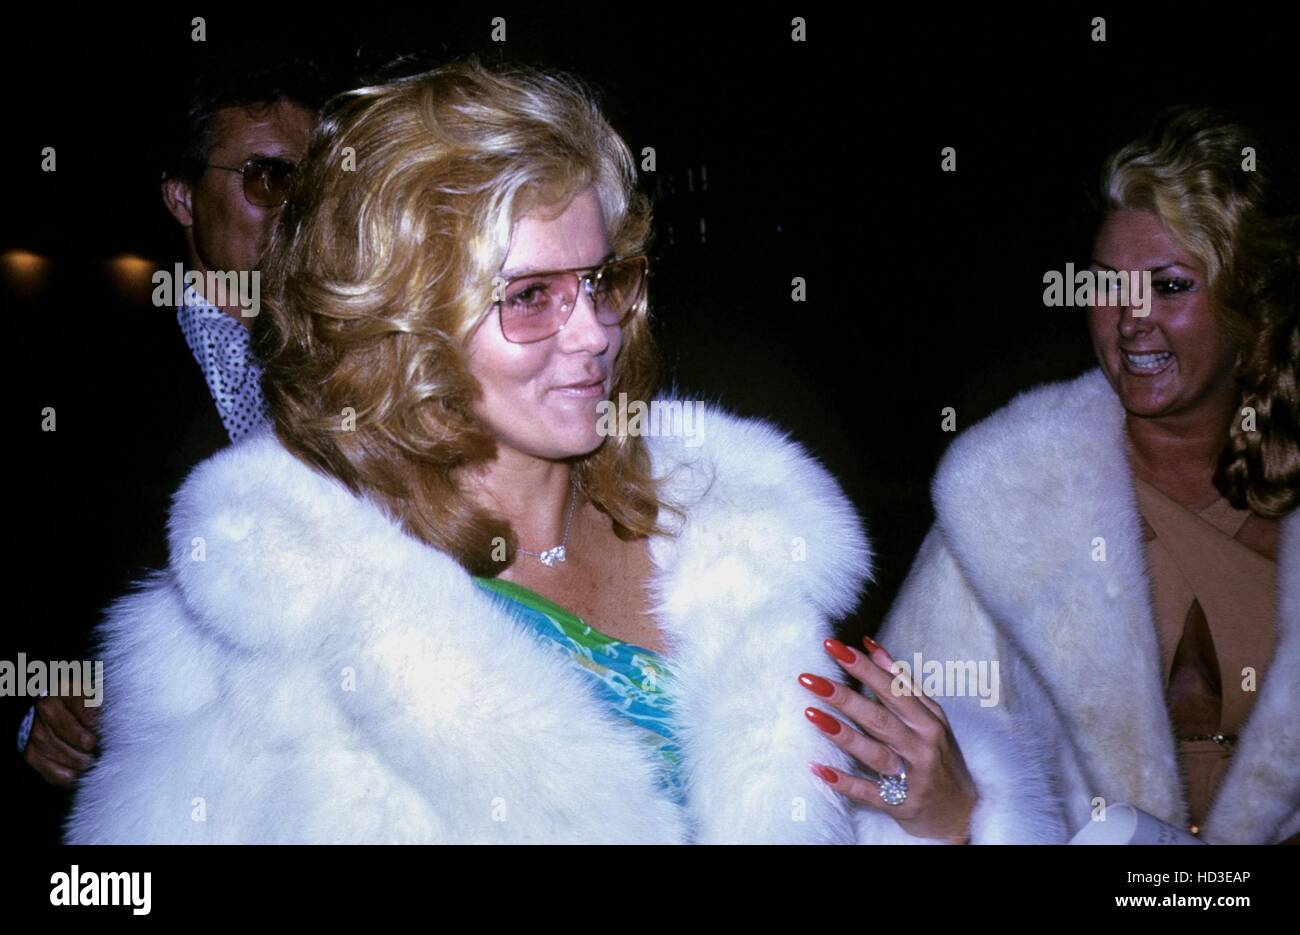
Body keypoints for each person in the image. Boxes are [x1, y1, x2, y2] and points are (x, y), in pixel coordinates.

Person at [61, 58, 893, 843]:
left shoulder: (723, 533)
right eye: (530, 296)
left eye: (603, 280)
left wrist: (938, 810)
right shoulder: (271, 617)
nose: (596, 333)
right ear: (404, 330)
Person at [859, 105, 1299, 844]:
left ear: (1248, 302)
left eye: (1170, 286)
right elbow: (892, 779)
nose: (1130, 318)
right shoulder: (1008, 497)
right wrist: (963, 818)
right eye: (1105, 285)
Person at [17, 61, 325, 808]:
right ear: (182, 196)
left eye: (310, 186)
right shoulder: (79, 362)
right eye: (265, 178)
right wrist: (31, 699)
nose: (294, 210)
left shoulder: (361, 362)